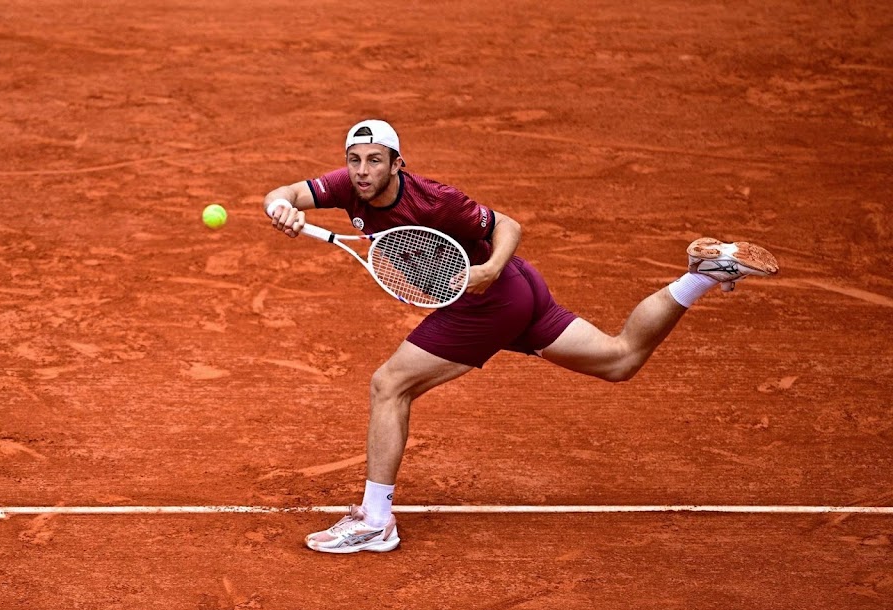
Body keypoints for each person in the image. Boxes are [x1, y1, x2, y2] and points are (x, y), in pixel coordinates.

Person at [263, 119, 778, 554]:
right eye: (354, 161)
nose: (362, 172)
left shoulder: (435, 201)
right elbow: (287, 192)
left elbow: (508, 224)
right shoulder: (348, 185)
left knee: (389, 385)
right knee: (619, 359)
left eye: (374, 161)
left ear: (398, 163)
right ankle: (704, 273)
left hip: (490, 297)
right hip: (518, 293)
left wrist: (487, 271)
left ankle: (375, 521)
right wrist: (280, 207)